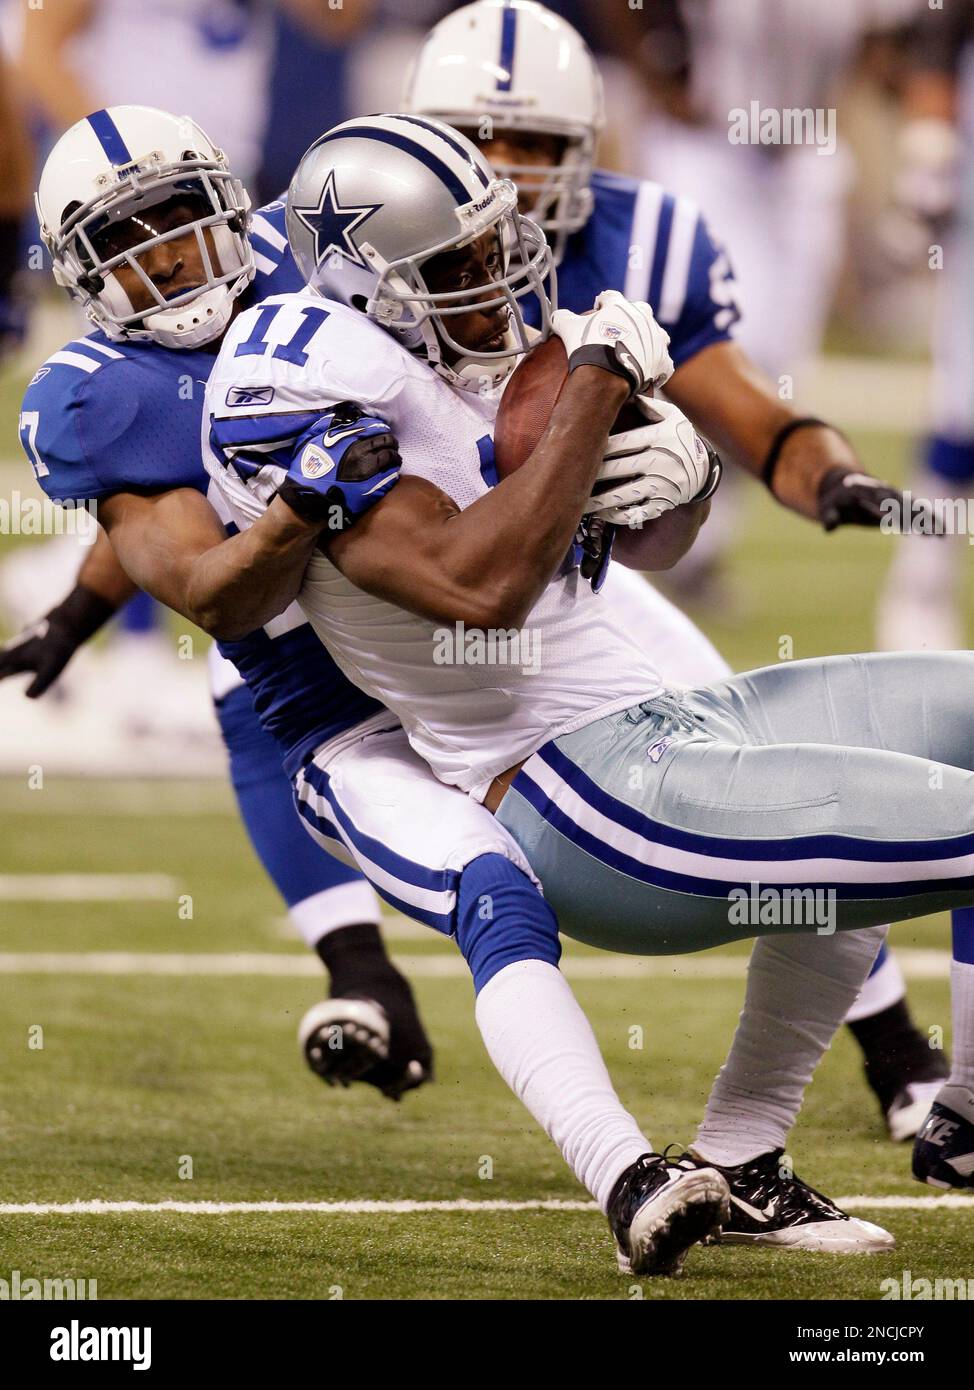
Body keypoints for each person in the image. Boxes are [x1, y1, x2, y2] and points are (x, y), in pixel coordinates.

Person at [204, 113, 974, 1219]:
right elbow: (478, 587)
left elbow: (618, 553)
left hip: (669, 712)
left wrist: (681, 479)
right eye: (456, 264)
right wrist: (597, 387)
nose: (495, 276)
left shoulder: (468, 340)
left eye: (490, 245)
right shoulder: (309, 384)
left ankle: (757, 1157)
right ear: (367, 283)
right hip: (580, 790)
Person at [405, 0, 949, 1142]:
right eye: (478, 139)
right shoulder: (342, 240)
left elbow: (751, 416)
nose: (503, 169)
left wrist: (821, 472)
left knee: (757, 766)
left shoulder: (641, 240)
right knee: (308, 744)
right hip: (373, 608)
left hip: (569, 589)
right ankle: (354, 966)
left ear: (588, 148)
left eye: (534, 146)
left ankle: (887, 1057)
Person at [11, 103, 433, 1101]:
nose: (162, 259)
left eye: (176, 218)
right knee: (244, 690)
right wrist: (75, 616)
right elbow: (172, 525)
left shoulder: (324, 241)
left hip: (457, 560)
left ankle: (887, 1040)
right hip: (316, 592)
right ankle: (363, 976)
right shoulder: (103, 389)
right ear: (83, 272)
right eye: (125, 241)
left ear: (231, 202)